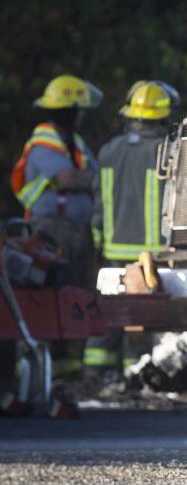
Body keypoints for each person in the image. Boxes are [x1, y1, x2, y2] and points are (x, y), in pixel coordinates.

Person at [10, 75, 102, 377]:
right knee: (49, 295)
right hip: (50, 230)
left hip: (75, 229)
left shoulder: (72, 142)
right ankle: (45, 368)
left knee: (78, 292)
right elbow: (71, 178)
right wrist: (98, 178)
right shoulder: (45, 143)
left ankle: (70, 368)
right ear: (71, 111)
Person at [85, 80, 178, 373]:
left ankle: (94, 375)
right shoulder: (169, 150)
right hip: (152, 253)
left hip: (113, 250)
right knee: (140, 319)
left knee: (109, 313)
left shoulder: (109, 150)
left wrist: (98, 240)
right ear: (162, 117)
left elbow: (98, 202)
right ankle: (134, 375)